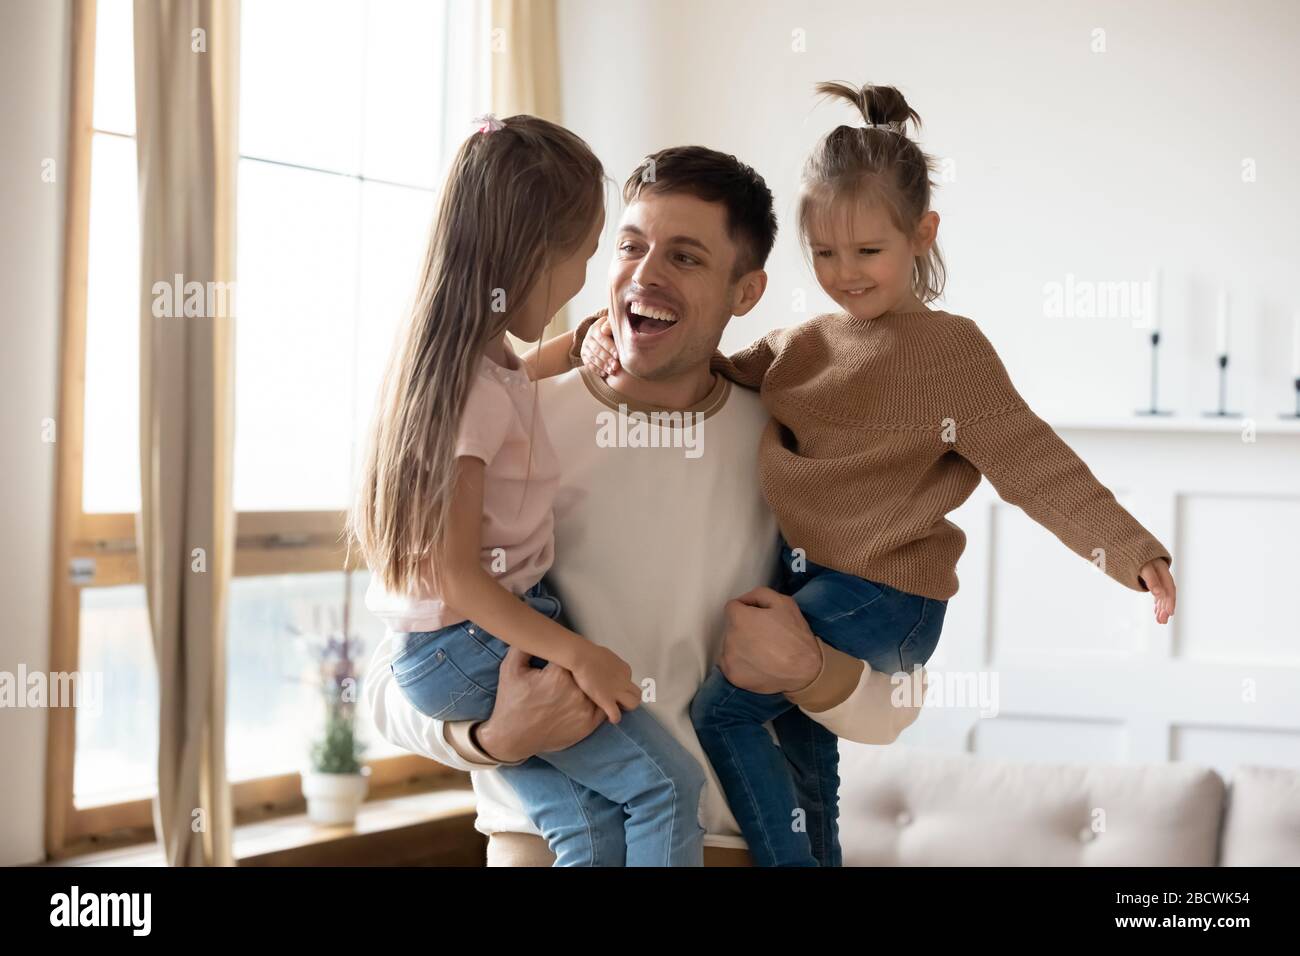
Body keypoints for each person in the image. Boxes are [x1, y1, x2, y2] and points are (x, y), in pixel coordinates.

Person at [580, 81, 1179, 867]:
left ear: (922, 234)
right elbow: (710, 371)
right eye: (824, 255)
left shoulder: (952, 354)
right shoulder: (804, 344)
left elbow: (1036, 464)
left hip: (892, 596)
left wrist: (1132, 551)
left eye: (868, 252)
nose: (846, 274)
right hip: (819, 586)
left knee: (724, 712)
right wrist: (597, 336)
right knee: (802, 744)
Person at [363, 145, 927, 866]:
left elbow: (900, 695)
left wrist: (814, 670)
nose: (645, 274)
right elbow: (396, 668)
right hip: (542, 846)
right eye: (629, 246)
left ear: (746, 292)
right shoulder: (508, 418)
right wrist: (490, 739)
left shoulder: (798, 449)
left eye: (686, 258)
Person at [350, 114, 707, 867]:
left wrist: (575, 346)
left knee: (586, 827)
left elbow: (518, 381)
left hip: (448, 649)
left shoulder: (466, 365)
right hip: (471, 644)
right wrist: (580, 655)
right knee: (666, 789)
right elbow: (457, 577)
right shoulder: (470, 394)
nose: (585, 282)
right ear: (528, 258)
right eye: (582, 258)